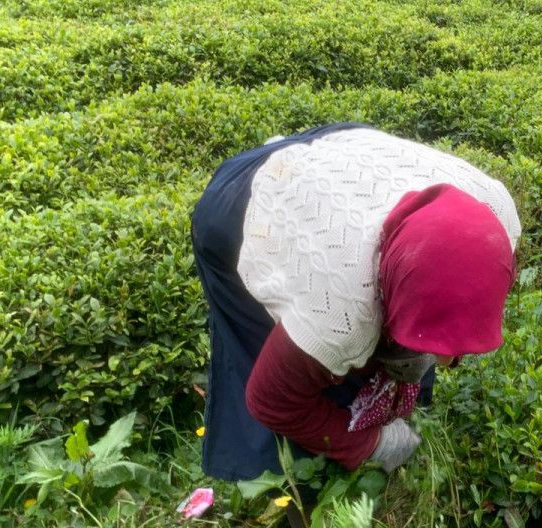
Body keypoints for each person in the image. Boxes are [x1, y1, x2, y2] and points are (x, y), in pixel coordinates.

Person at [190, 123, 521, 483]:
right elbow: (271, 401)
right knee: (279, 369)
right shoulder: (336, 305)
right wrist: (372, 444)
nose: (446, 363)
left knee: (394, 345)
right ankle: (281, 481)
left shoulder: (497, 215)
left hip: (347, 156)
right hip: (243, 203)